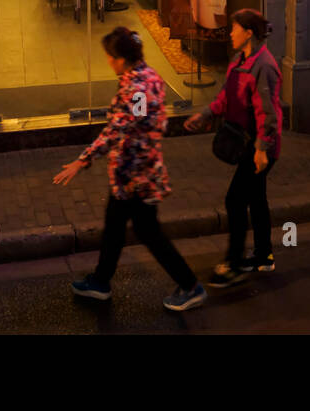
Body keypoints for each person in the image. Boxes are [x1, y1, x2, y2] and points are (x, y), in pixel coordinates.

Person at [53, 27, 207, 312]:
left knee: (148, 232)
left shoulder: (136, 88)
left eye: (110, 57)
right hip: (129, 174)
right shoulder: (150, 75)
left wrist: (82, 160)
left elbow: (118, 128)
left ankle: (190, 286)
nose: (108, 62)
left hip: (138, 176)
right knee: (114, 226)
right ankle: (100, 281)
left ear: (122, 58)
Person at [184, 9, 282, 286]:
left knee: (235, 200)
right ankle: (264, 256)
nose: (230, 33)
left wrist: (262, 149)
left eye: (234, 28)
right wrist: (205, 115)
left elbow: (268, 112)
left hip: (258, 145)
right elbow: (226, 96)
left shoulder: (264, 66)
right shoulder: (240, 60)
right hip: (246, 142)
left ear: (248, 33)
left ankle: (235, 264)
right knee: (256, 199)